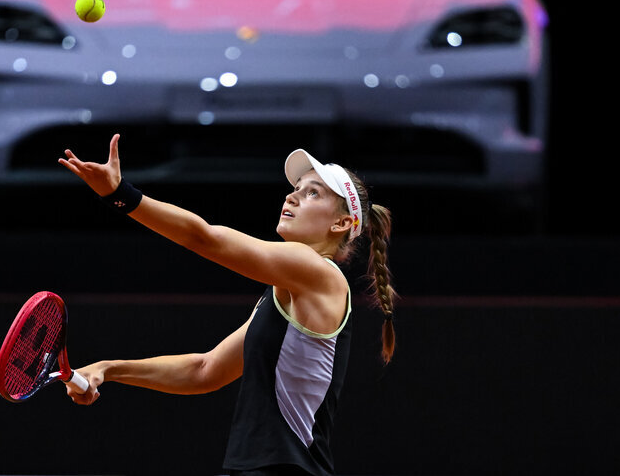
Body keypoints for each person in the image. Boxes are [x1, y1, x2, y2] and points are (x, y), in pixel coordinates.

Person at [57, 134, 398, 476]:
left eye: (312, 192)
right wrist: (109, 369)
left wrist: (120, 196)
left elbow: (204, 238)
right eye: (296, 187)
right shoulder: (287, 292)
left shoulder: (318, 272)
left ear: (341, 224)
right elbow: (204, 370)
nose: (292, 195)